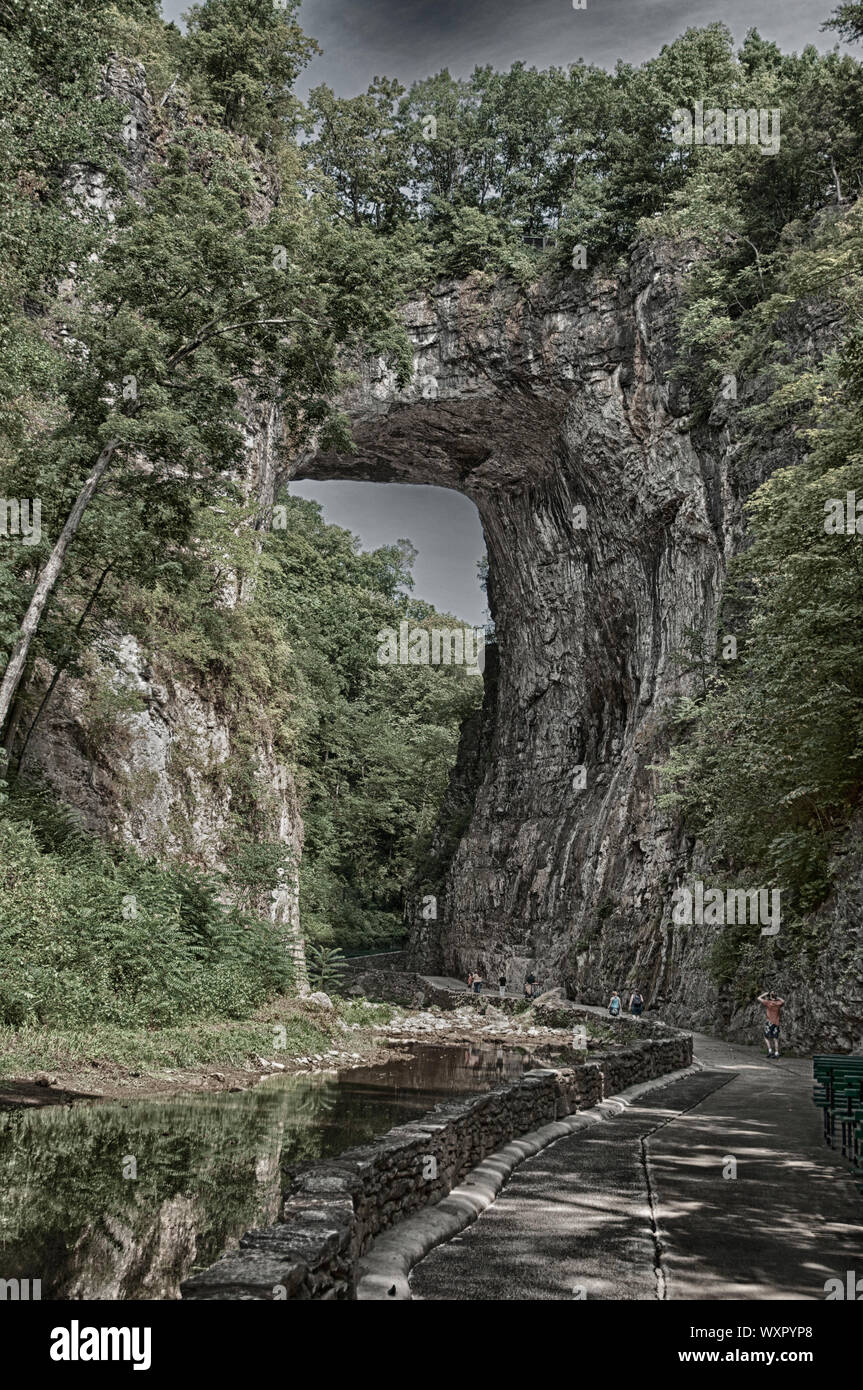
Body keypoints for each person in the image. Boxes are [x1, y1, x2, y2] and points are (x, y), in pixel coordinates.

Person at [757, 989, 785, 1057]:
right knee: (775, 1039)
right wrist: (776, 997)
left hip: (769, 1022)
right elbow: (783, 1001)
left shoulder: (768, 1002)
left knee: (766, 1037)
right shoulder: (778, 1003)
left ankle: (770, 1051)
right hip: (776, 1023)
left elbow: (759, 998)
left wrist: (766, 994)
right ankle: (776, 1053)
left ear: (769, 996)